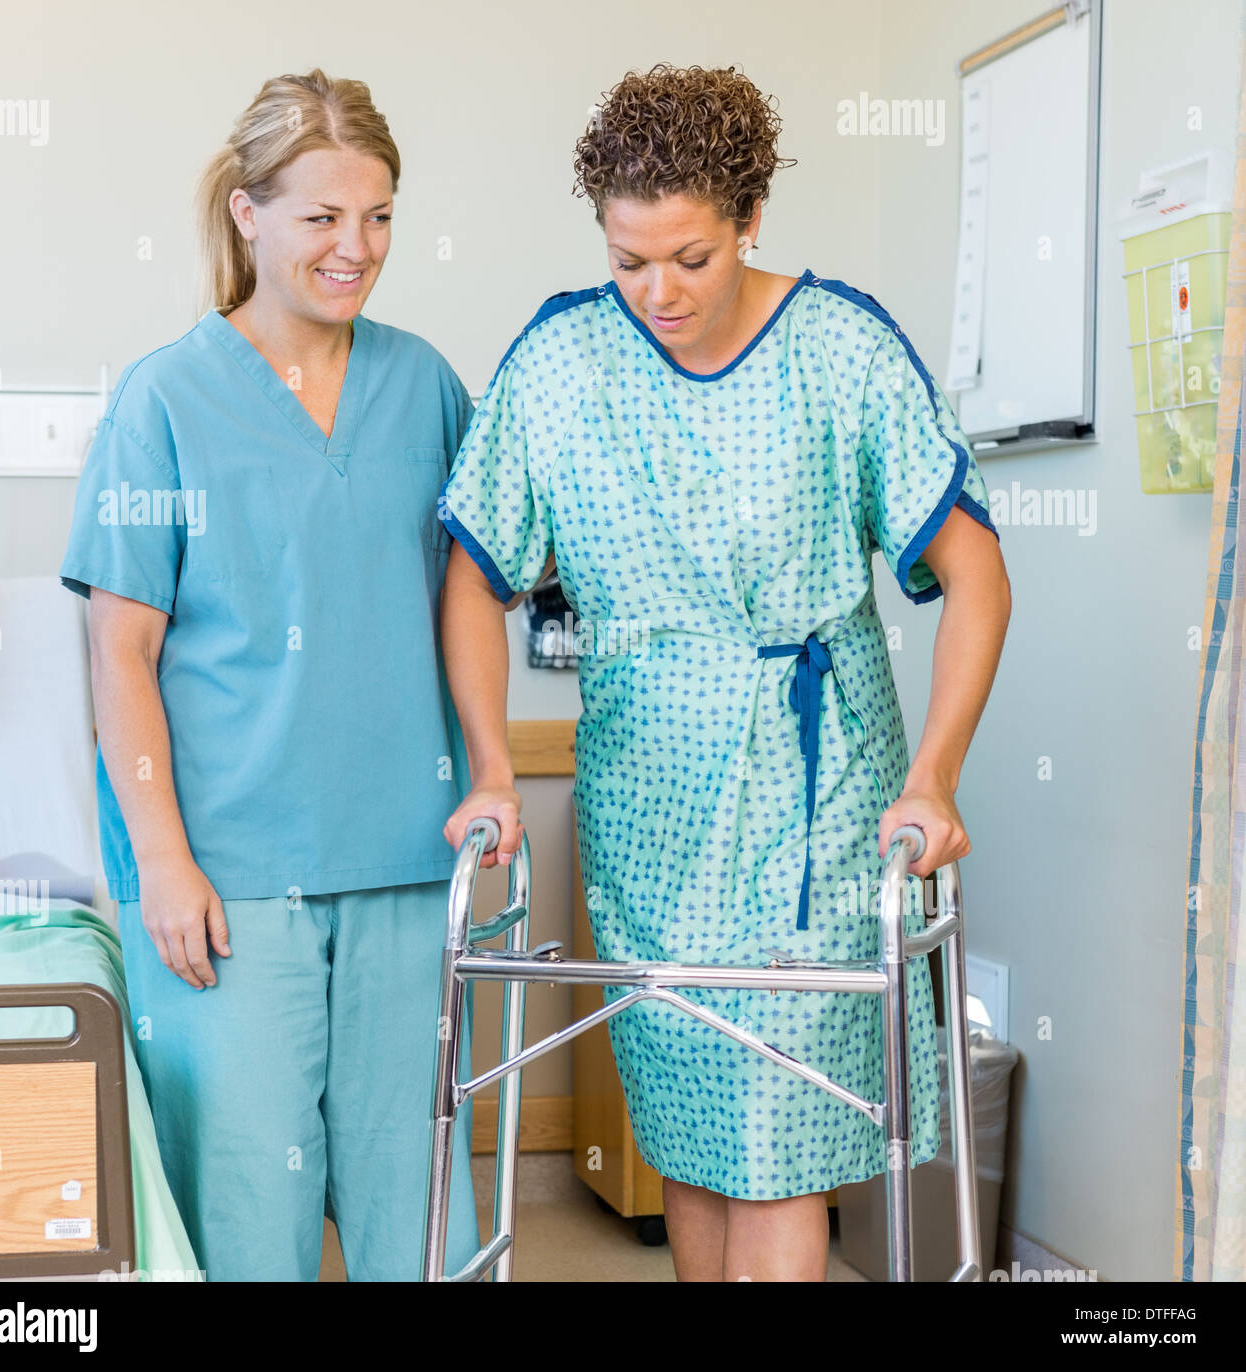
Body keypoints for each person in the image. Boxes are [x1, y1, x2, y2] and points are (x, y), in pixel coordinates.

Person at [438, 63, 1012, 1282]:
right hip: (647, 795)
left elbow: (976, 572)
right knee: (694, 1134)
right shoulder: (560, 360)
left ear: (751, 220)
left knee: (781, 1136)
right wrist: (492, 764)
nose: (657, 291)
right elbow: (471, 573)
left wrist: (936, 777)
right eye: (628, 258)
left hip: (816, 790)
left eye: (690, 258)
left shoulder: (840, 346)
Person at [59, 68, 479, 1281]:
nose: (359, 248)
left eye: (381, 217)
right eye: (323, 219)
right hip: (229, 882)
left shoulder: (426, 386)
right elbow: (120, 652)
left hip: (407, 856)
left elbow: (476, 596)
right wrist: (166, 859)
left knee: (420, 1215)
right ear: (248, 215)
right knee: (250, 1220)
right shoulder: (165, 401)